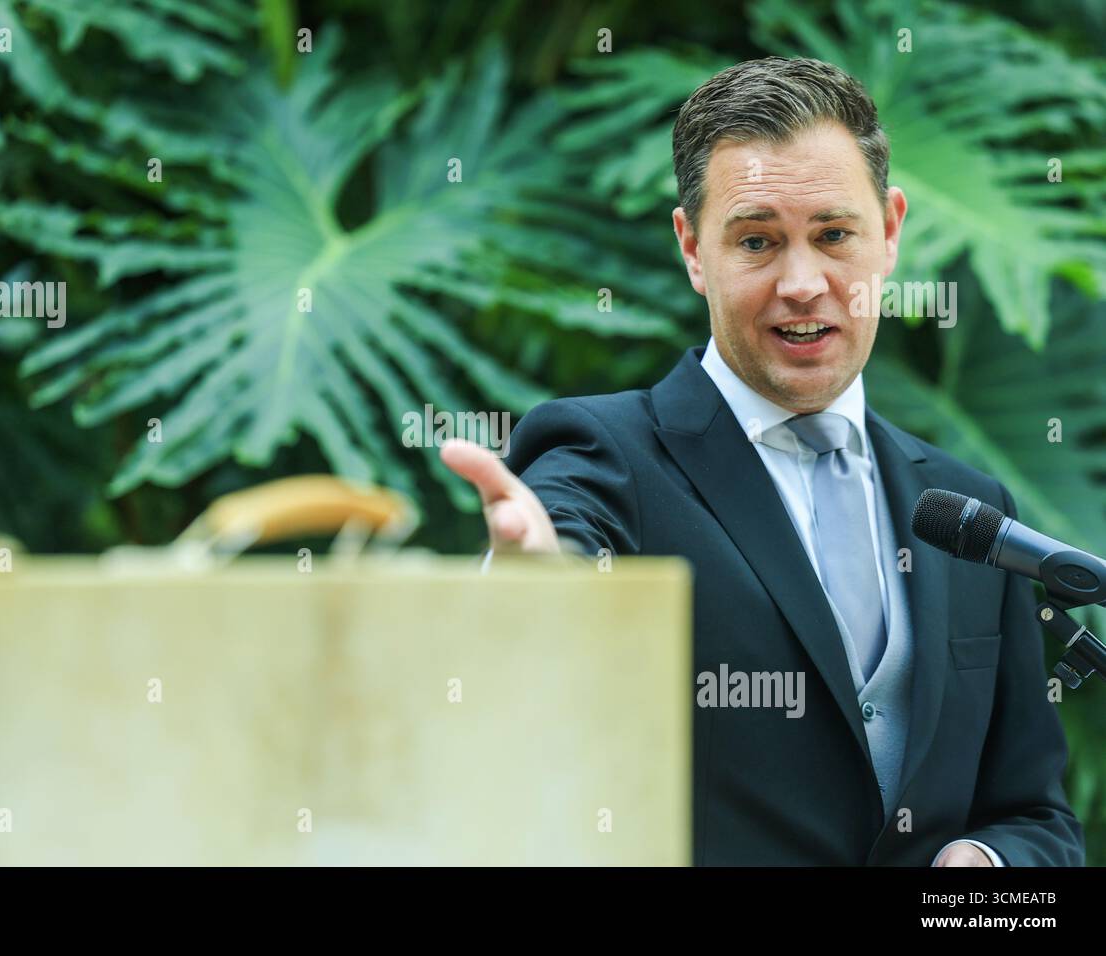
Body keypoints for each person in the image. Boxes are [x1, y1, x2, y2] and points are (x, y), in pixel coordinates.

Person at [442, 57, 1084, 866]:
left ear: (889, 231)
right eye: (757, 241)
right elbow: (562, 544)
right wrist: (536, 588)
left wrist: (987, 870)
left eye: (834, 235)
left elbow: (1034, 817)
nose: (804, 283)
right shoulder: (605, 453)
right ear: (692, 249)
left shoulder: (967, 509)